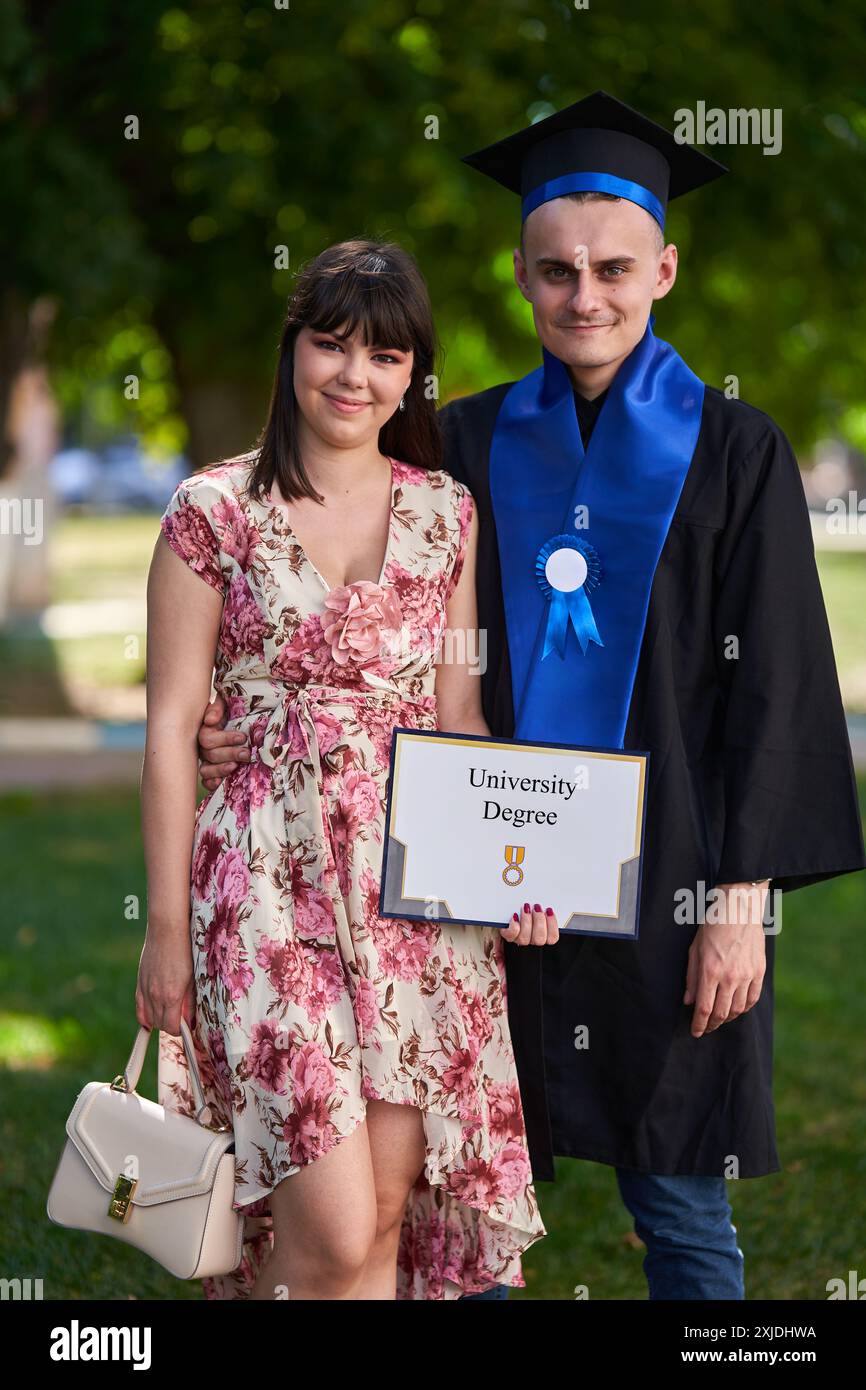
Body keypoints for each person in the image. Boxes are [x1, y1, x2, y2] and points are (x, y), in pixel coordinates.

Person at [196, 93, 866, 1301]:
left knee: (674, 1190)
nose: (584, 295)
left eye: (613, 268)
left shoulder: (735, 447)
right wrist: (228, 714)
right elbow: (368, 624)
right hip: (470, 882)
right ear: (518, 277)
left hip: (669, 868)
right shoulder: (457, 441)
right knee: (466, 1182)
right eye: (555, 272)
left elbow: (772, 678)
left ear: (662, 266)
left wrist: (741, 896)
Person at [139, 238, 557, 1302]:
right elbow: (170, 724)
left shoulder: (445, 513)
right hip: (263, 891)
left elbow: (457, 713)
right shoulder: (212, 511)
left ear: (412, 375)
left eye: (383, 356)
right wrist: (166, 930)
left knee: (378, 1221)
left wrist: (509, 871)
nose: (352, 376)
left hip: (412, 897)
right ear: (293, 352)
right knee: (323, 1229)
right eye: (330, 345)